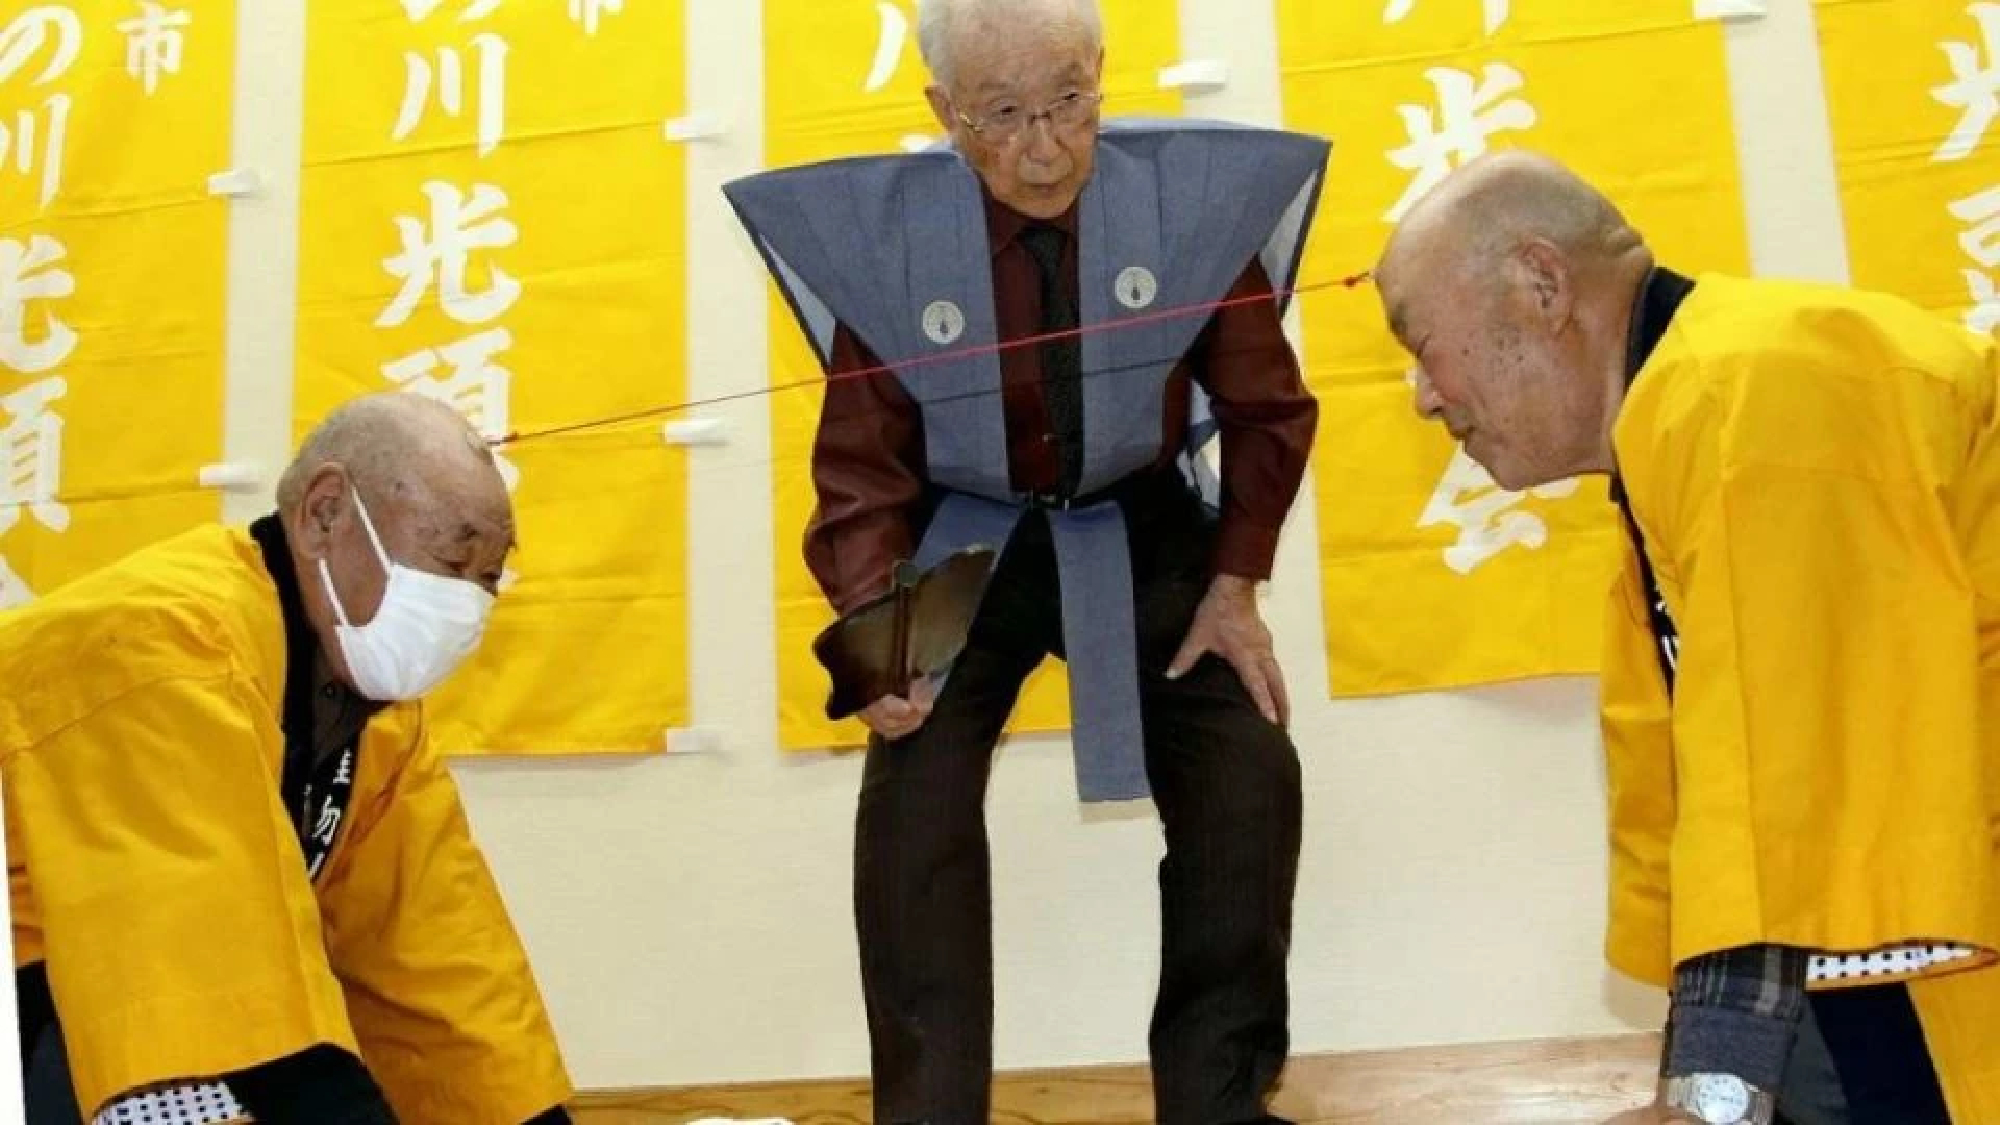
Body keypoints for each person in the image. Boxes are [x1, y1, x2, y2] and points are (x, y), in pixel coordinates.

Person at [722, 0, 1327, 1121]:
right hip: (964, 539)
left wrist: (1235, 584)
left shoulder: (1186, 212)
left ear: (1102, 76)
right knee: (910, 805)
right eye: (1002, 114)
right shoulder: (887, 241)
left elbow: (1269, 407)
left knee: (1249, 773)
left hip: (1140, 525)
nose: (1044, 146)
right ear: (944, 114)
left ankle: (1217, 1100)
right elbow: (860, 472)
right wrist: (877, 631)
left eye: (1067, 102)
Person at [1373, 149, 2000, 1125]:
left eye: (1419, 345)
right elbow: (1710, 809)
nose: (1419, 394)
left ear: (1540, 284)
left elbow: (1783, 765)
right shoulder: (1678, 432)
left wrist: (1708, 1098)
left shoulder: (1759, 386)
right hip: (1855, 949)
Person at [0, 393, 575, 1124]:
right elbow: (217, 978)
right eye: (451, 559)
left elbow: (445, 982)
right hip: (44, 1001)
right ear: (323, 513)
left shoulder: (375, 719)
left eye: (488, 577)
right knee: (190, 1077)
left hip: (100, 1003)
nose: (468, 602)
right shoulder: (161, 644)